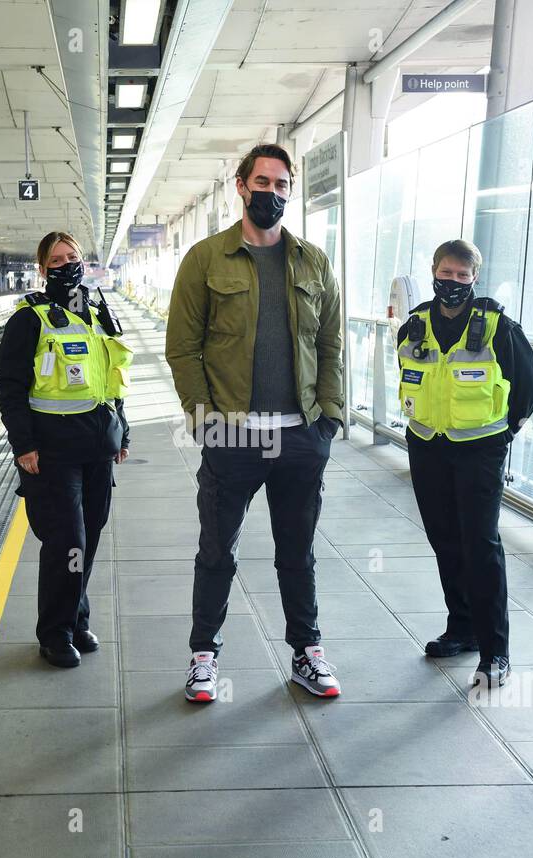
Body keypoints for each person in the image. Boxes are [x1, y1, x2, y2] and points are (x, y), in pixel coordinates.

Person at [166, 143, 345, 703]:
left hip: (299, 435)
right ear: (240, 187)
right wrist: (204, 422)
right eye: (262, 182)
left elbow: (330, 343)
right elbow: (183, 349)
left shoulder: (313, 262)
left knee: (298, 553)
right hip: (234, 438)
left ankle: (306, 653)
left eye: (281, 184)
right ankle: (203, 658)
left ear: (291, 191)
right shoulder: (205, 259)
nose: (272, 192)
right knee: (217, 550)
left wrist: (330, 420)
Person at [398, 239, 533, 688]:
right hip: (426, 445)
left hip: (480, 450)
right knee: (445, 539)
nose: (453, 282)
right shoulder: (415, 325)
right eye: (446, 273)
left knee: (481, 545)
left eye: (462, 276)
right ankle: (461, 628)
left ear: (474, 278)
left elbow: (529, 389)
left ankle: (495, 650)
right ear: (433, 271)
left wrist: (504, 432)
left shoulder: (499, 327)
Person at [0, 231, 133, 667]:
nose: (66, 263)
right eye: (56, 259)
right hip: (52, 451)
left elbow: (112, 379)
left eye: (72, 256)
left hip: (98, 445)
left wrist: (121, 431)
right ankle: (54, 633)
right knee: (66, 541)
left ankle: (75, 619)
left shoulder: (96, 312)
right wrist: (23, 445)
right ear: (42, 268)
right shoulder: (28, 319)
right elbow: (9, 387)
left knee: (88, 538)